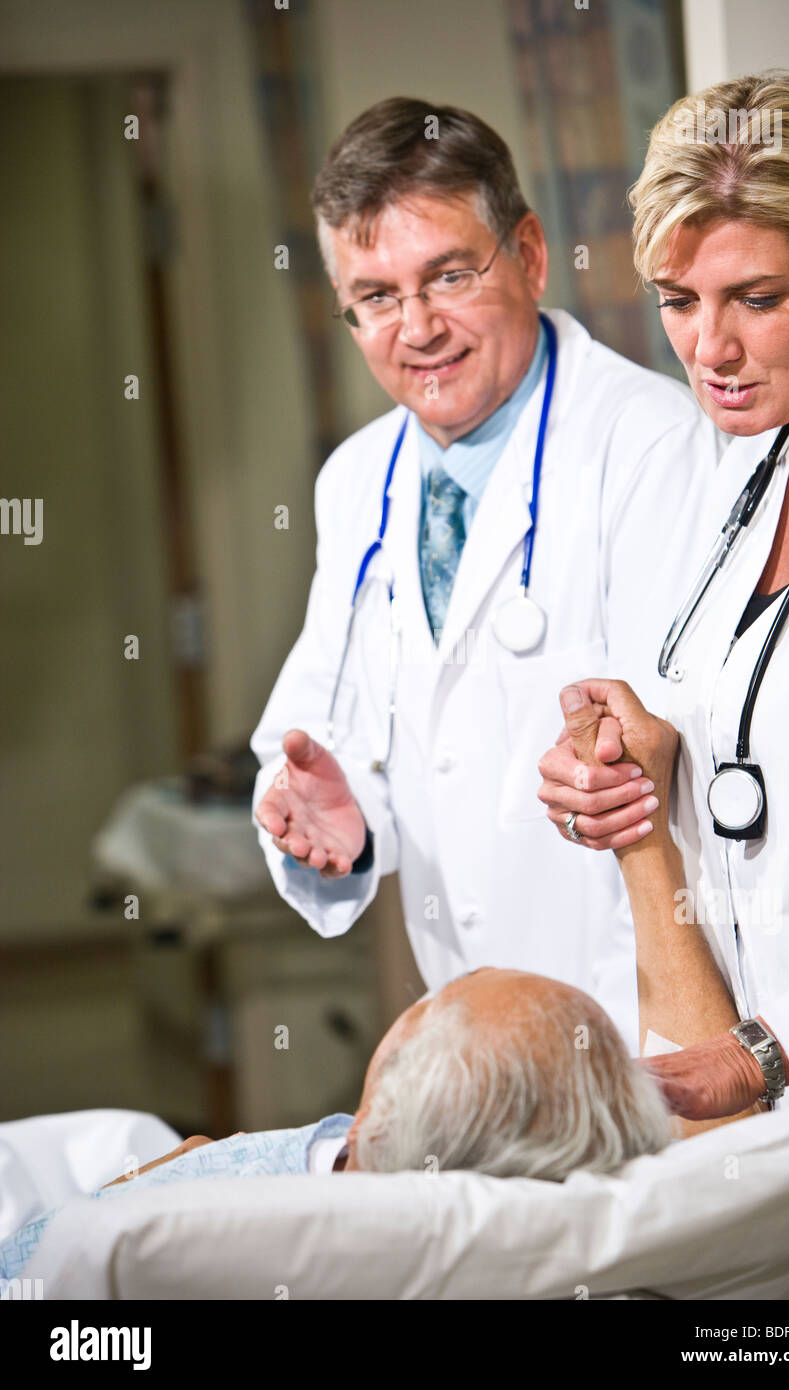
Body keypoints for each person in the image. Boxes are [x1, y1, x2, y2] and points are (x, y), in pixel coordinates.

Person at [251, 97, 720, 1052]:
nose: (416, 327)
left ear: (532, 254)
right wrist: (338, 824)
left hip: (641, 1027)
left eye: (449, 275)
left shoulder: (649, 444)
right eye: (376, 296)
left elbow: (686, 770)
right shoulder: (357, 483)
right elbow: (322, 741)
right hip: (472, 1032)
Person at [538, 72, 789, 1118]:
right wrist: (625, 774)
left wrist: (764, 1053)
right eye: (679, 302)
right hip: (778, 1141)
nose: (708, 351)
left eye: (756, 300)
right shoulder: (744, 474)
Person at [0, 967, 671, 1283]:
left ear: (369, 1122)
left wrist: (163, 1179)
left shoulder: (166, 1213)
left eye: (436, 1002)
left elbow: (39, 1267)